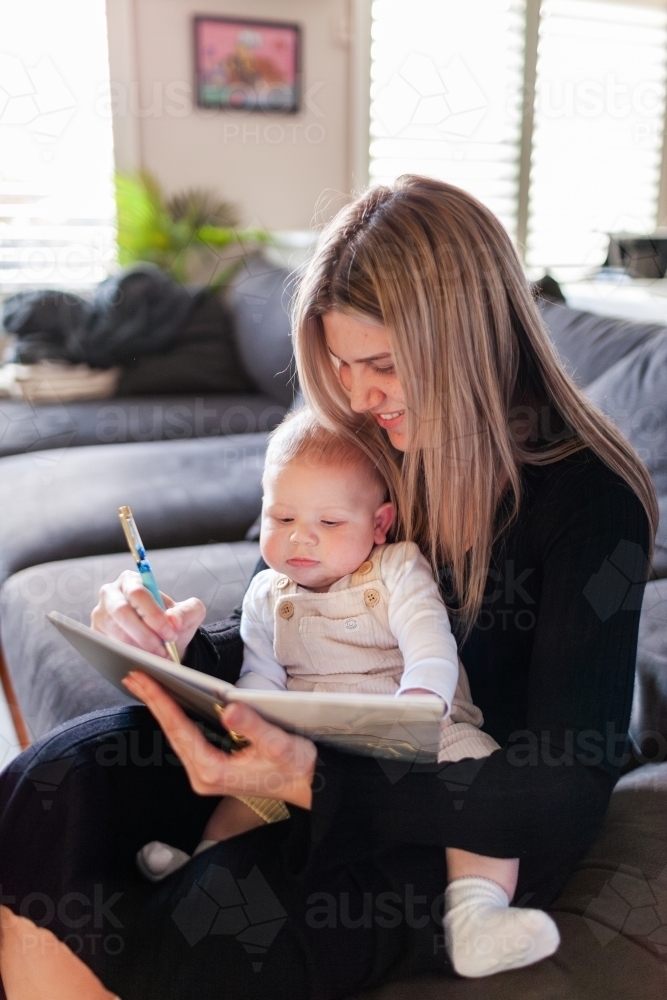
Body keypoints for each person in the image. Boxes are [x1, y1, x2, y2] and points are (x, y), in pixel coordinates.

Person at [0, 175, 655, 1000]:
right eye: (340, 366)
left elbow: (562, 788)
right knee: (51, 784)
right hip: (310, 740)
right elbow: (275, 622)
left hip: (460, 810)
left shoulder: (590, 501)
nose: (355, 396)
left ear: (469, 341)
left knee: (205, 922)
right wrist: (175, 642)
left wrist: (310, 782)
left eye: (381, 365)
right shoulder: (368, 437)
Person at [135, 408, 555, 975]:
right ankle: (200, 863)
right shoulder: (266, 594)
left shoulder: (398, 569)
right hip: (312, 730)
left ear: (379, 524)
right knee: (251, 787)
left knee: (482, 775)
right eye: (281, 517)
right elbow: (263, 675)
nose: (300, 538)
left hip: (415, 721)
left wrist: (418, 704)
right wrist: (246, 717)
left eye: (330, 523)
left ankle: (475, 915)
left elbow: (431, 647)